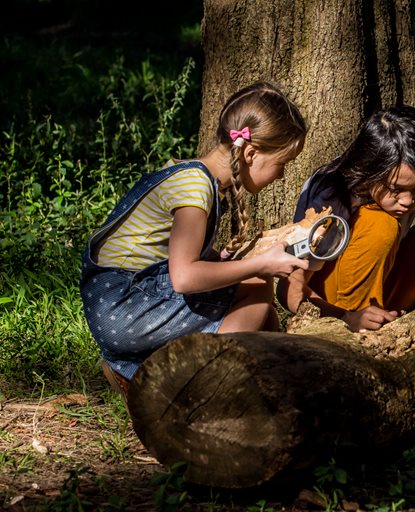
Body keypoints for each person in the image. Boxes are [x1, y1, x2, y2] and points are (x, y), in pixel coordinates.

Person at [80, 81, 310, 395]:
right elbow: (185, 278)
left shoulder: (189, 175)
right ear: (252, 153)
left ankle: (264, 390)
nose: (281, 176)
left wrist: (225, 261)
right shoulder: (196, 189)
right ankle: (206, 389)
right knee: (256, 286)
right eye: (281, 165)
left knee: (263, 314)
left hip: (115, 305)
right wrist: (261, 265)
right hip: (125, 304)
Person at [277, 106, 415, 332]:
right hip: (340, 309)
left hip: (385, 289)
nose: (408, 201)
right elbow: (289, 287)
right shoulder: (332, 197)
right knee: (379, 224)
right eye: (395, 189)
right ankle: (362, 338)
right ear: (369, 171)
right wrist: (345, 318)